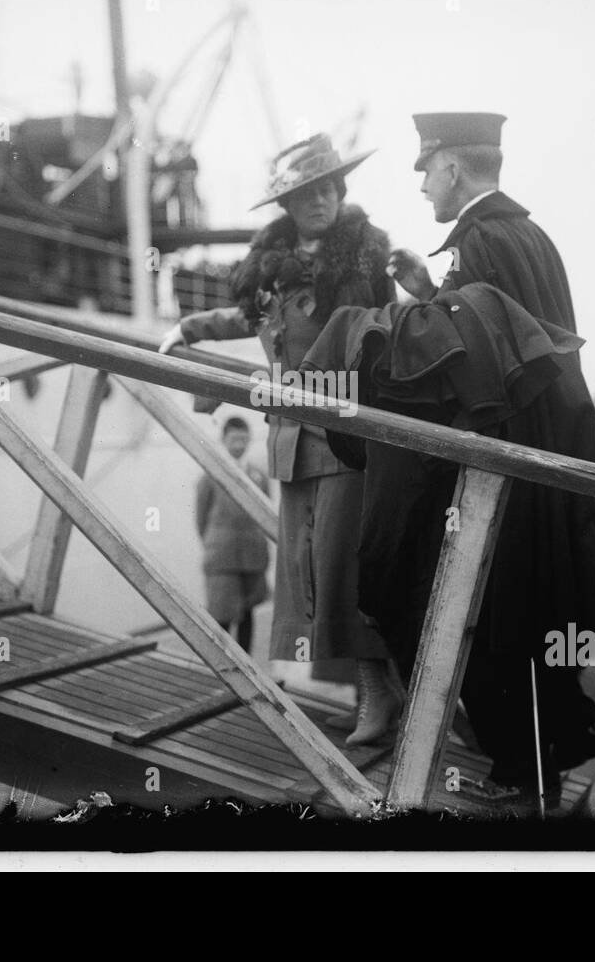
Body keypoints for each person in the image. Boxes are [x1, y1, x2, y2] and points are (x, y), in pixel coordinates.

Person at [376, 111, 595, 808]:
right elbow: (511, 340)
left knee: (497, 600)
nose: (423, 187)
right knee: (541, 599)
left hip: (510, 461)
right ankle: (535, 760)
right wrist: (432, 292)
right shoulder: (529, 236)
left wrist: (405, 320)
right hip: (552, 446)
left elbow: (473, 364)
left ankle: (519, 766)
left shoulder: (481, 240)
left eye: (427, 170)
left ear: (452, 166)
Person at [158, 133, 401, 746]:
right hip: (290, 441)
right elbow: (251, 320)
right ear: (287, 205)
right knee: (307, 573)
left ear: (340, 191)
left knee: (344, 566)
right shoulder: (273, 265)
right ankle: (367, 692)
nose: (319, 199)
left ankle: (380, 692)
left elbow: (389, 333)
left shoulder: (365, 263)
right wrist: (190, 327)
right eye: (304, 192)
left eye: (326, 187)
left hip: (345, 437)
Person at [194, 416, 270, 654]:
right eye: (234, 439)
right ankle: (222, 669)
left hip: (252, 557)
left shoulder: (259, 476)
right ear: (223, 439)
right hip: (222, 558)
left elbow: (265, 513)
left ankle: (247, 671)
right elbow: (201, 518)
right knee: (222, 614)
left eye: (244, 439)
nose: (239, 444)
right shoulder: (209, 475)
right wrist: (215, 545)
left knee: (248, 613)